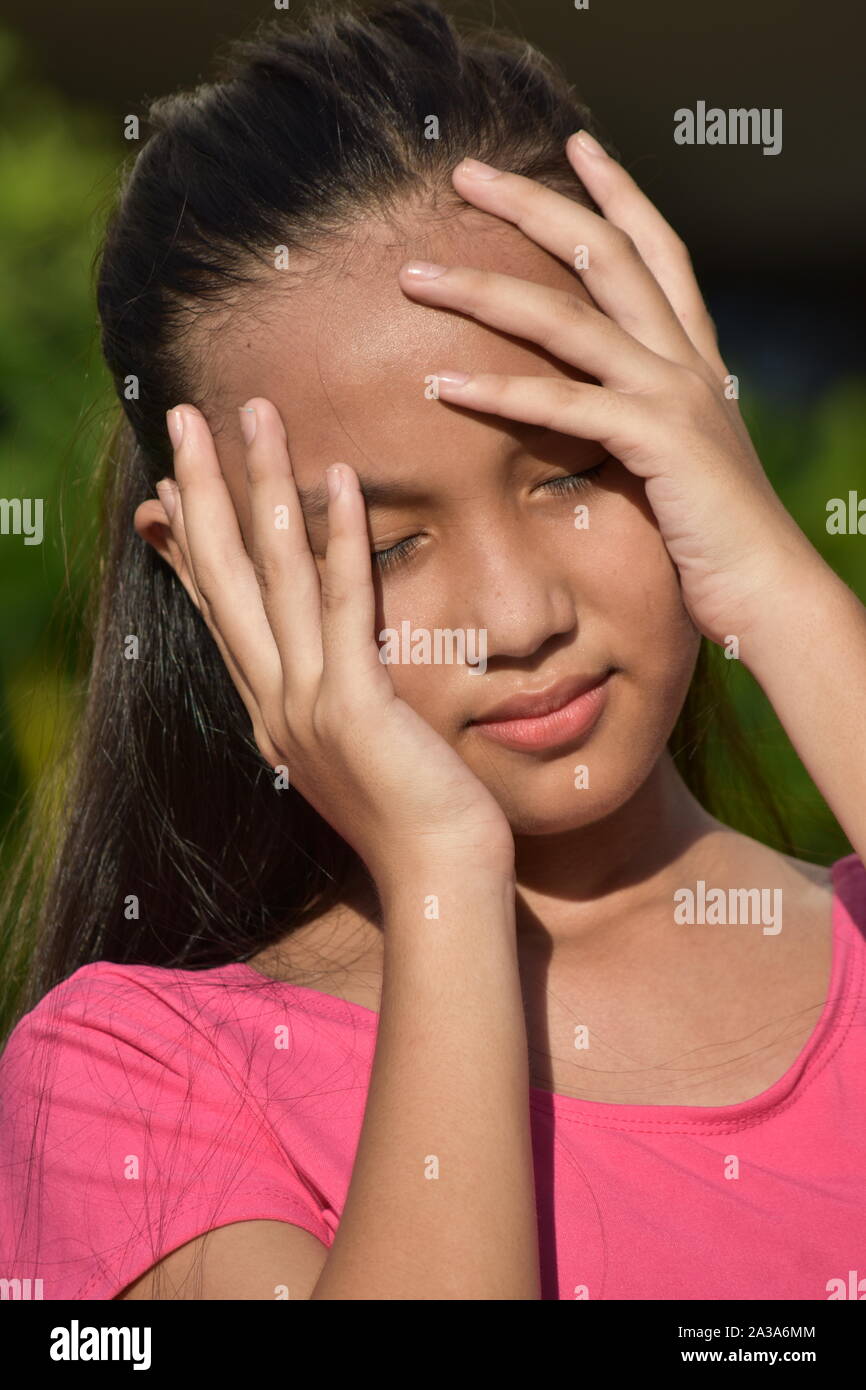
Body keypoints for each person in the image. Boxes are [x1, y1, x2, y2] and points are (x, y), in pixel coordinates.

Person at [1, 0, 864, 1302]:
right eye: (387, 545)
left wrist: (772, 579)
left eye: (578, 469)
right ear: (214, 574)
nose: (517, 616)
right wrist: (444, 878)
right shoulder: (143, 1084)